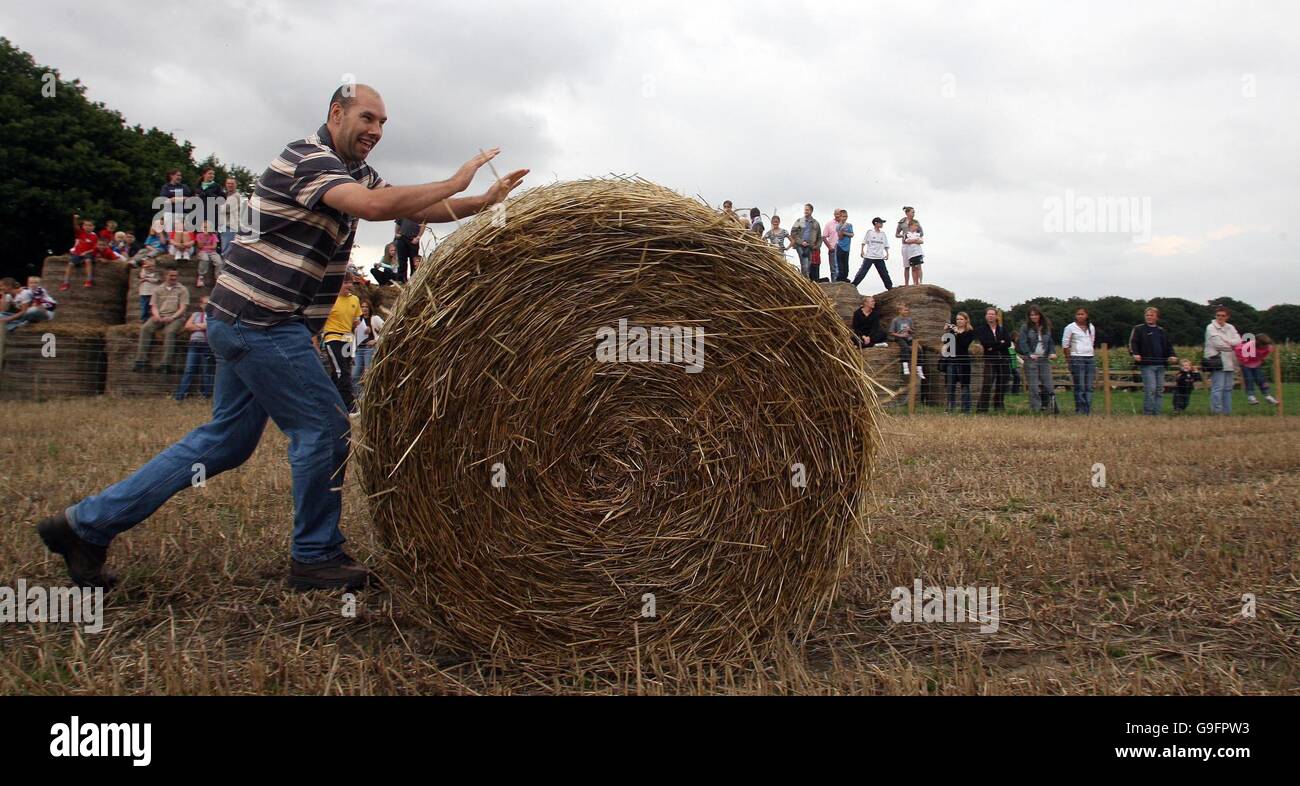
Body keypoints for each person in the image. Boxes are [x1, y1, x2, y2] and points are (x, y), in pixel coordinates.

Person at [35, 83, 528, 591]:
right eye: (367, 118)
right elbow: (375, 208)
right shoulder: (306, 159)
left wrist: (484, 200)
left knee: (224, 442)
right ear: (336, 113)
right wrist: (455, 179)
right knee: (324, 429)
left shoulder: (356, 171)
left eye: (383, 123)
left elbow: (412, 212)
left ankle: (85, 527)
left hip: (252, 320)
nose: (376, 131)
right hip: (260, 319)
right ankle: (315, 556)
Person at [319, 271, 362, 413]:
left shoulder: (355, 300)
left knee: (345, 371)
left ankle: (328, 403)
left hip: (348, 338)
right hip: (333, 337)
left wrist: (356, 324)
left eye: (350, 282)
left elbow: (357, 320)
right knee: (341, 371)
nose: (349, 285)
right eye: (345, 282)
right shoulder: (330, 300)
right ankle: (349, 406)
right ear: (338, 284)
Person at [133, 267, 189, 374]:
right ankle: (141, 360)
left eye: (175, 276)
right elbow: (153, 306)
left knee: (169, 332)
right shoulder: (157, 289)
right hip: (160, 315)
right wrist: (157, 316)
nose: (174, 278)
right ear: (165, 276)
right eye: (171, 275)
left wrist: (172, 317)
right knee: (145, 328)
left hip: (176, 317)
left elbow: (183, 307)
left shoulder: (182, 289)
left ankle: (166, 363)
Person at [1128, 306, 1177, 416]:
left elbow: (1168, 345)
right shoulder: (1138, 329)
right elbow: (1132, 343)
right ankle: (1148, 413)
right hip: (1147, 364)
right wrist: (1135, 354)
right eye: (1147, 315)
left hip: (1161, 364)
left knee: (1159, 390)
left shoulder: (1161, 331)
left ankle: (1157, 413)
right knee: (1151, 389)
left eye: (1151, 315)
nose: (1149, 317)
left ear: (1157, 317)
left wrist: (1172, 356)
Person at [1016, 305, 1057, 413]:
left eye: (1036, 315)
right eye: (1031, 315)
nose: (1034, 317)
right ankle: (1036, 409)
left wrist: (1052, 352)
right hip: (1031, 360)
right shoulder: (1025, 327)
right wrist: (1029, 354)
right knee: (1034, 386)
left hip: (1044, 359)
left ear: (1040, 315)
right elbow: (1023, 342)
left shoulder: (1046, 327)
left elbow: (1050, 342)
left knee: (1048, 384)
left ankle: (1051, 407)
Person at [174, 295, 214, 400]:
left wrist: (196, 326)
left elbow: (211, 326)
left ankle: (206, 395)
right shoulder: (196, 314)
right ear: (201, 305)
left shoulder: (213, 316)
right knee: (189, 369)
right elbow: (188, 326)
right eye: (205, 303)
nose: (207, 305)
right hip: (194, 344)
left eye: (209, 303)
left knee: (207, 370)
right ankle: (181, 395)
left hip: (207, 345)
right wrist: (202, 326)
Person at [1204, 307, 1242, 415]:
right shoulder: (1211, 327)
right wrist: (1232, 345)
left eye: (1223, 315)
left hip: (1230, 361)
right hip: (1217, 360)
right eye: (1218, 315)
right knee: (1218, 387)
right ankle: (1216, 411)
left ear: (1227, 317)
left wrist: (1227, 341)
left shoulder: (1231, 327)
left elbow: (1238, 341)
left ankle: (1227, 412)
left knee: (1228, 388)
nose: (1220, 317)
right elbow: (1217, 344)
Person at [1062, 307, 1097, 414]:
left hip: (1089, 357)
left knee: (1089, 386)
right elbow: (1065, 344)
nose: (1080, 316)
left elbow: (1092, 341)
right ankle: (1080, 409)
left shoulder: (1091, 327)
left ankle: (1088, 409)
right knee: (1080, 386)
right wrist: (1069, 360)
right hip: (1077, 357)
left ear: (1086, 315)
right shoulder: (1070, 327)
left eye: (1082, 314)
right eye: (1078, 314)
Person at [975, 307, 1010, 412]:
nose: (991, 316)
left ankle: (999, 406)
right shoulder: (981, 329)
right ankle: (982, 407)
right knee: (987, 383)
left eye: (993, 314)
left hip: (1003, 359)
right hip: (990, 359)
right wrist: (1000, 343)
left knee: (1002, 383)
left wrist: (993, 346)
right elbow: (985, 344)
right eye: (989, 314)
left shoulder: (1002, 329)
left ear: (996, 316)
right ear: (986, 316)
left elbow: (1008, 343)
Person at [943, 312, 977, 413]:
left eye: (961, 319)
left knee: (965, 386)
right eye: (957, 319)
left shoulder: (969, 332)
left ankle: (966, 409)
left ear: (966, 320)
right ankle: (950, 409)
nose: (959, 321)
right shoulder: (952, 331)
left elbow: (964, 344)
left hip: (963, 362)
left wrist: (959, 333)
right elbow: (946, 343)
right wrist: (946, 332)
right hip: (951, 361)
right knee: (950, 386)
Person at [352, 298, 384, 400]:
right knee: (355, 375)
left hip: (369, 349)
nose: (364, 309)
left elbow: (387, 329)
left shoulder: (375, 319)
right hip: (358, 350)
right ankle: (361, 400)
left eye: (366, 307)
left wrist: (376, 340)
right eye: (362, 307)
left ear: (370, 308)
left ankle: (368, 399)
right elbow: (351, 336)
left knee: (367, 376)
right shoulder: (357, 321)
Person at [1235, 333, 1278, 406]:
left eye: (1266, 345)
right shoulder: (1249, 345)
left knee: (1261, 380)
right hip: (1246, 366)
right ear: (1258, 343)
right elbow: (1237, 349)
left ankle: (1267, 396)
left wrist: (1262, 358)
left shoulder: (1267, 347)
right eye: (1263, 345)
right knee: (1249, 380)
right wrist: (1243, 359)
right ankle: (1251, 397)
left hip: (1256, 365)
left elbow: (1267, 352)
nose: (1265, 347)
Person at [852, 217, 893, 290]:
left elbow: (886, 245)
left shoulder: (883, 234)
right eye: (880, 223)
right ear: (876, 223)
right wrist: (862, 251)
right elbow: (863, 242)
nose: (882, 224)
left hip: (879, 257)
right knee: (862, 271)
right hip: (869, 256)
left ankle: (889, 287)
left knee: (884, 273)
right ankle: (854, 284)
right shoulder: (870, 232)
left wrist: (887, 253)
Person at [889, 302, 925, 379]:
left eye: (907, 310)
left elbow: (913, 331)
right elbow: (891, 332)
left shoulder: (909, 320)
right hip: (899, 338)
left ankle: (919, 368)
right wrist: (900, 335)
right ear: (900, 311)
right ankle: (905, 366)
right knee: (905, 347)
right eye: (905, 310)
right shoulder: (895, 320)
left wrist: (909, 330)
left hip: (908, 338)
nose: (907, 312)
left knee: (919, 349)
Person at [63, 214, 99, 290]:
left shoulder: (94, 236)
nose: (87, 227)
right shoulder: (81, 233)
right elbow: (75, 227)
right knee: (70, 264)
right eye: (86, 225)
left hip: (88, 253)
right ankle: (66, 283)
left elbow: (95, 248)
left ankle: (89, 280)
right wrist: (75, 219)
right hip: (78, 253)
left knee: (88, 261)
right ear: (83, 226)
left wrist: (86, 252)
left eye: (90, 225)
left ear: (93, 227)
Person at [790, 204, 820, 281]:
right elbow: (793, 233)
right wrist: (801, 242)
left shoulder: (816, 223)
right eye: (805, 210)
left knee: (808, 265)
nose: (805, 211)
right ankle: (805, 281)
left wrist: (817, 246)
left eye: (807, 210)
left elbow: (819, 237)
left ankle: (803, 280)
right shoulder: (800, 221)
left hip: (810, 246)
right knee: (805, 264)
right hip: (800, 245)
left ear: (811, 211)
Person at [217, 177, 246, 256]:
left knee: (227, 251)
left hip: (230, 227)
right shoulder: (228, 195)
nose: (230, 185)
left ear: (236, 185)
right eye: (228, 183)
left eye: (232, 183)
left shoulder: (235, 196)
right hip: (226, 226)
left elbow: (224, 209)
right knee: (226, 248)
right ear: (225, 184)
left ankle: (224, 267)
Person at [896, 206, 923, 284]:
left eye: (914, 212)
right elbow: (897, 234)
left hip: (915, 245)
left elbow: (921, 233)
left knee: (917, 265)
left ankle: (918, 282)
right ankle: (906, 284)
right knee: (907, 266)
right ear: (907, 213)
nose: (914, 214)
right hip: (905, 245)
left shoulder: (916, 222)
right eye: (912, 212)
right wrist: (904, 235)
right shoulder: (901, 222)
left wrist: (915, 236)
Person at [194, 221, 223, 288]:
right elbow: (199, 246)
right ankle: (201, 277)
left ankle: (217, 278)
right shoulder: (199, 235)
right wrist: (206, 238)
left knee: (219, 262)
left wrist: (205, 246)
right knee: (205, 259)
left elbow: (214, 246)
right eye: (204, 227)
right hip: (202, 252)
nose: (205, 229)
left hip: (213, 252)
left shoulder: (214, 236)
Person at [901, 220, 924, 285]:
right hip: (911, 254)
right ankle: (914, 282)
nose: (916, 227)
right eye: (915, 225)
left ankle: (920, 281)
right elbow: (906, 241)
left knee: (919, 267)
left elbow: (921, 241)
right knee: (913, 268)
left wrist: (914, 241)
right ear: (911, 226)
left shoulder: (918, 234)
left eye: (917, 226)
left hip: (918, 253)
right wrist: (915, 240)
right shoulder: (907, 234)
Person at [834, 210, 853, 283]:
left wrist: (844, 232)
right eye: (843, 216)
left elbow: (852, 235)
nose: (844, 218)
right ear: (840, 217)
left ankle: (845, 277)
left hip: (847, 248)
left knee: (846, 265)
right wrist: (842, 230)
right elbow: (840, 237)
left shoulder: (849, 225)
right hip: (840, 247)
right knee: (840, 265)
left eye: (846, 216)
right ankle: (840, 278)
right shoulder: (838, 226)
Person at [822, 209, 840, 281]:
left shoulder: (845, 224)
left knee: (842, 268)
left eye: (840, 214)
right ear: (834, 214)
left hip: (843, 249)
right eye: (837, 214)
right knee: (834, 268)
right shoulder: (829, 224)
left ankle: (841, 284)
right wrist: (829, 247)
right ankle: (834, 284)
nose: (839, 215)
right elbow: (823, 237)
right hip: (833, 248)